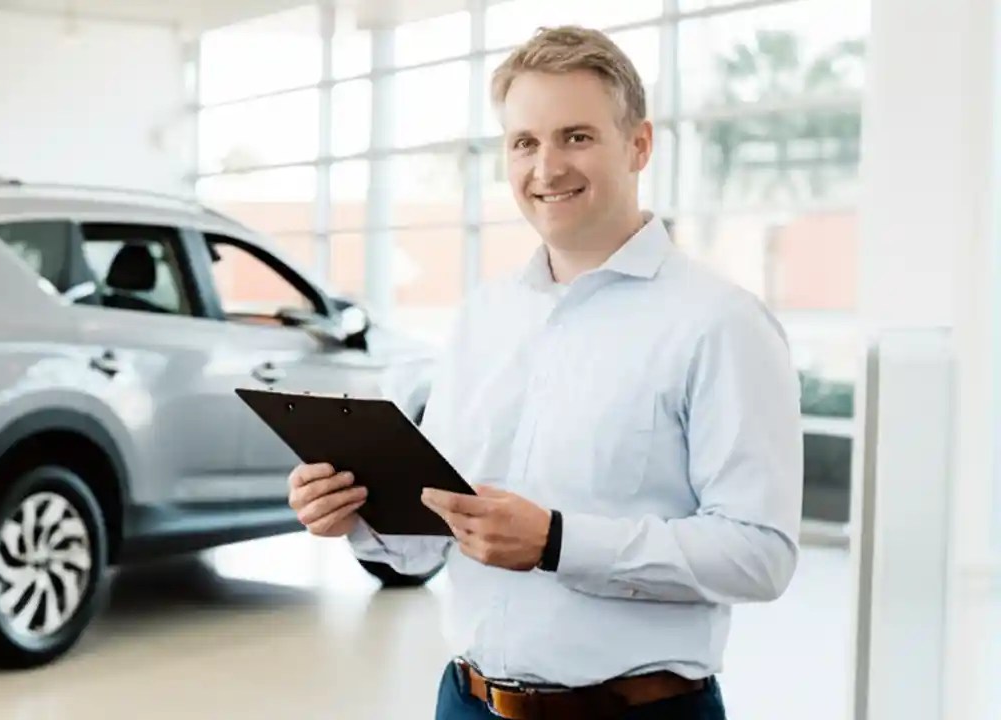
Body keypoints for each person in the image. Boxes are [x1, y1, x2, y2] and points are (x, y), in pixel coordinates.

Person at [287, 25, 803, 720]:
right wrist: (354, 516)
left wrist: (558, 542)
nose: (546, 167)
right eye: (524, 142)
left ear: (639, 145)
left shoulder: (719, 322)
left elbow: (759, 555)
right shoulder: (484, 315)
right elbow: (430, 534)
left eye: (576, 137)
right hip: (466, 700)